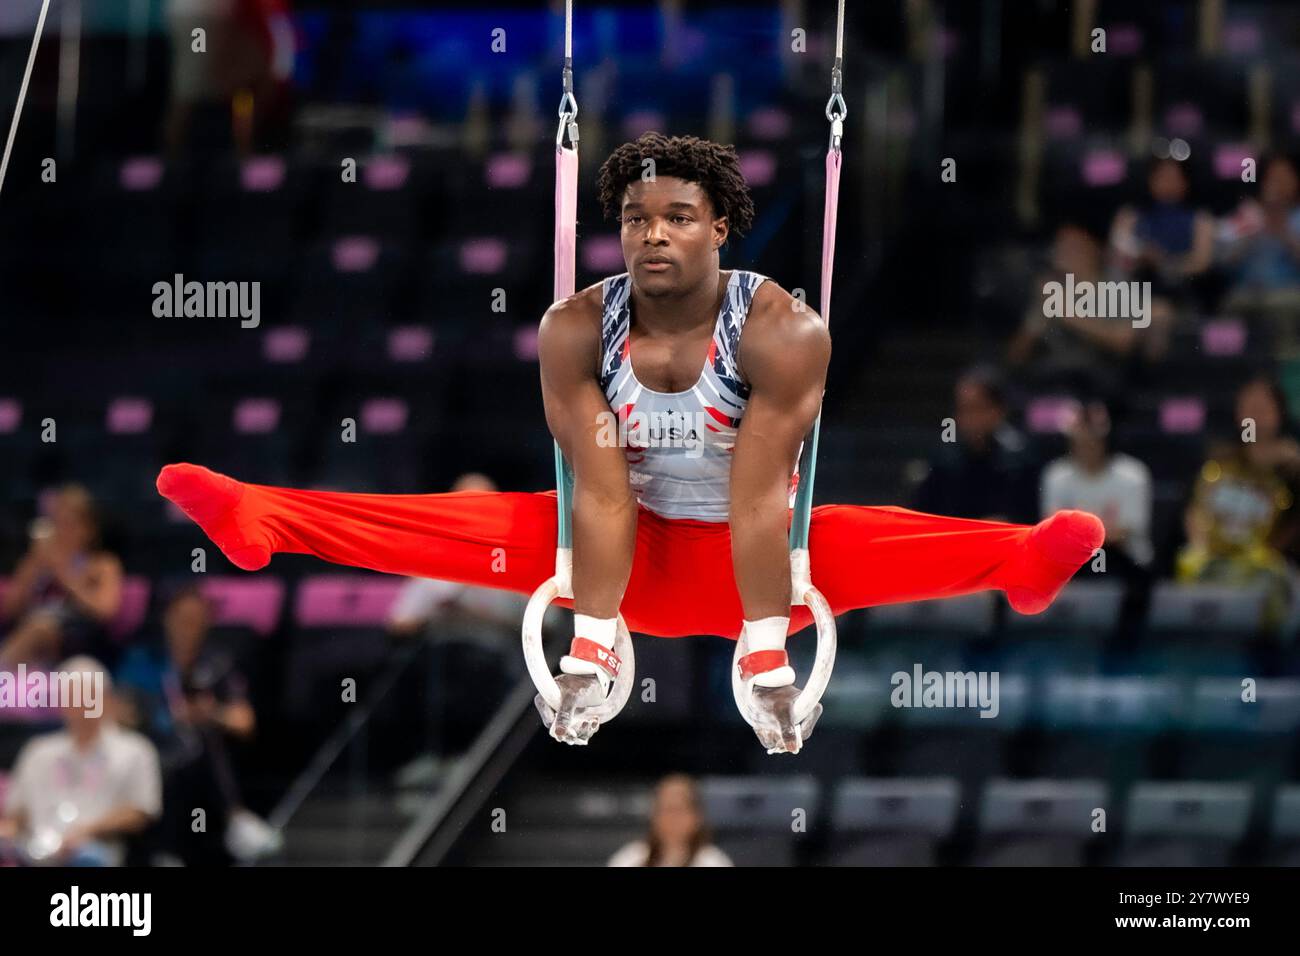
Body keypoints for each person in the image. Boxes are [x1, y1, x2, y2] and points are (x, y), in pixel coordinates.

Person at [154, 133, 1104, 753]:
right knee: (475, 525)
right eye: (636, 219)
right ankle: (263, 515)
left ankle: (1020, 561)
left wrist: (766, 650)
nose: (653, 235)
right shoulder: (576, 328)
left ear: (721, 226)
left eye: (678, 217)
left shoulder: (781, 328)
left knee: (858, 536)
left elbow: (757, 496)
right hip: (616, 554)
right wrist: (593, 643)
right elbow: (600, 494)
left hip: (755, 557)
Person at [114, 586, 277, 864]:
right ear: (166, 618)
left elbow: (244, 721)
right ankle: (165, 850)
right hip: (151, 744)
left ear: (207, 623)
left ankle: (234, 821)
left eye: (196, 619)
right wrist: (135, 714)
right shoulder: (143, 660)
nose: (188, 626)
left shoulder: (217, 663)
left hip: (198, 751)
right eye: (181, 618)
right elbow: (117, 709)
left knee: (199, 741)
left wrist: (211, 713)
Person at [0, 656, 161, 866]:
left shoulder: (135, 750)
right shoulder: (38, 751)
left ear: (106, 699)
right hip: (36, 853)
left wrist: (88, 830)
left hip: (97, 853)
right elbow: (16, 815)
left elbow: (141, 810)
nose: (79, 705)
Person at [1177, 376, 1300, 625]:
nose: (1254, 414)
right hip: (1214, 568)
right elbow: (1193, 513)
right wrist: (1200, 552)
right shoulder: (1217, 462)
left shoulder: (1293, 467)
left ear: (1279, 414)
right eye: (1248, 406)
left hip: (1269, 572)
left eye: (1263, 408)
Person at [1041, 401, 1153, 635]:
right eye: (1081, 437)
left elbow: (1125, 532)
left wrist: (1083, 532)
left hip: (1122, 559)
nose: (1088, 444)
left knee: (1133, 577)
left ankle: (1125, 648)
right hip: (1075, 560)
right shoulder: (1057, 475)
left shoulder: (1132, 474)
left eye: (1094, 437)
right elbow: (1052, 531)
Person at [0, 484, 124, 670]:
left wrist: (64, 576)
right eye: (57, 523)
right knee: (36, 627)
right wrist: (32, 567)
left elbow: (105, 611)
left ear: (89, 529)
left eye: (70, 524)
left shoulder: (103, 564)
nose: (62, 531)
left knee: (41, 627)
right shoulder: (38, 560)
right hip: (30, 638)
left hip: (78, 639)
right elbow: (10, 609)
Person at [914, 365, 1037, 524]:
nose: (969, 418)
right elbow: (926, 513)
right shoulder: (943, 458)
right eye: (963, 409)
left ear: (998, 411)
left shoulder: (1020, 459)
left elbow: (1030, 515)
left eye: (976, 408)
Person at [608, 774, 732, 867]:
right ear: (653, 816)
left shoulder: (714, 862)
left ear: (696, 817)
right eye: (664, 809)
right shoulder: (628, 859)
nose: (671, 818)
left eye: (678, 810)